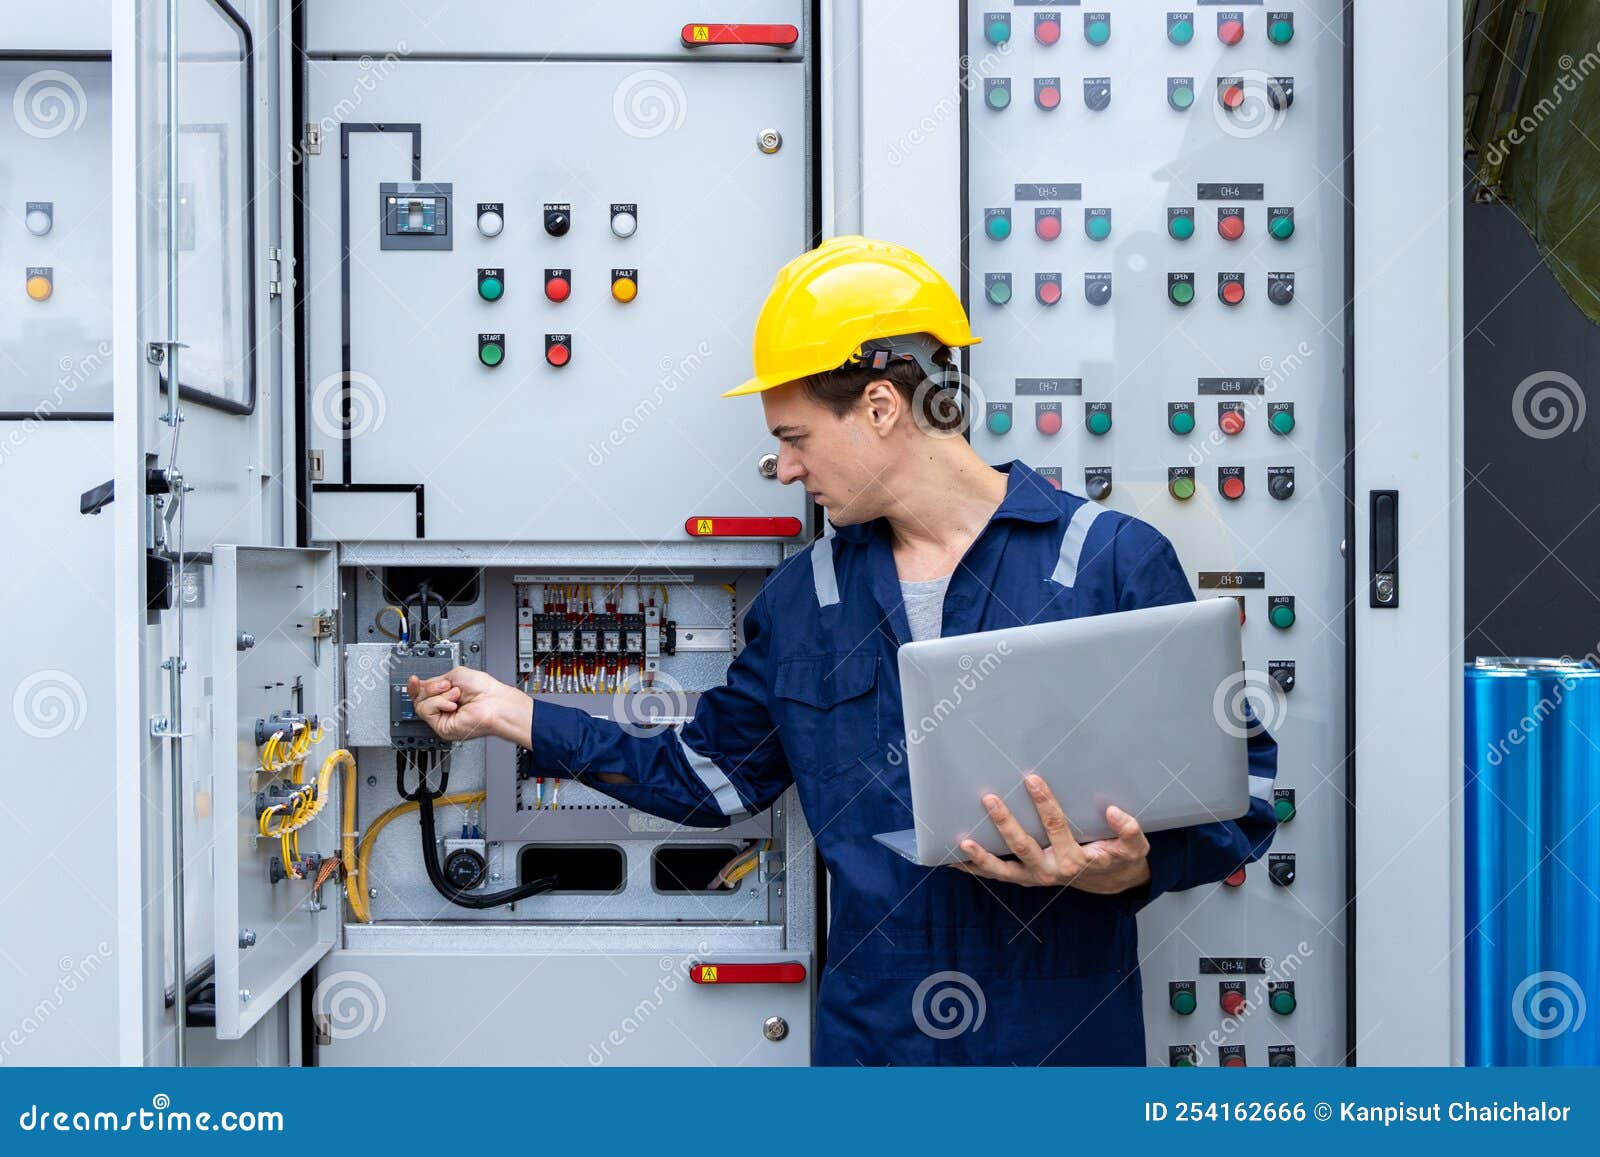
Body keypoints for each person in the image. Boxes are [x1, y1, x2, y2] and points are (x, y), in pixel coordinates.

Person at [407, 236, 1278, 1065]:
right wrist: (518, 714)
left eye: (793, 439)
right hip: (876, 1048)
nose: (784, 470)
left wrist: (1131, 869)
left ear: (880, 406)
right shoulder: (805, 601)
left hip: (1058, 1044)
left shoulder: (1108, 561)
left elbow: (1244, 795)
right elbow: (710, 778)